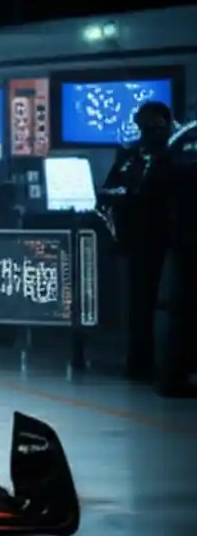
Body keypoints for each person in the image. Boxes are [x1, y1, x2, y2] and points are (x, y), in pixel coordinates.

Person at [101, 100, 176, 379]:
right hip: (138, 237)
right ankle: (140, 361)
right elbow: (109, 188)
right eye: (144, 127)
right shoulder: (130, 153)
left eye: (155, 127)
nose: (149, 133)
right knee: (140, 303)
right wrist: (124, 195)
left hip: (172, 237)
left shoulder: (175, 153)